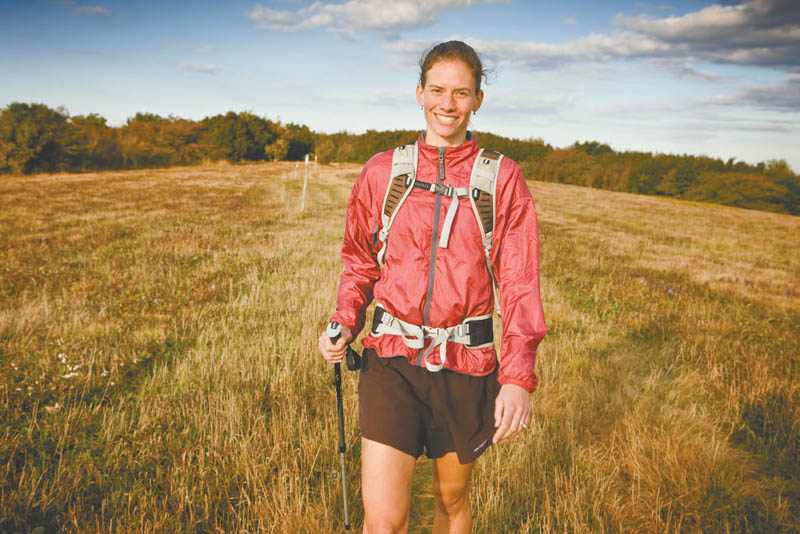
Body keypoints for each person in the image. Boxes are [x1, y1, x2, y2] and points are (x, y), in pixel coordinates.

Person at [318, 40, 546, 534]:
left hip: (465, 366)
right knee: (383, 520)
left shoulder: (502, 179)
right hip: (390, 361)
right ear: (419, 93)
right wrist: (343, 321)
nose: (448, 103)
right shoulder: (383, 171)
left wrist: (517, 378)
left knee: (451, 500)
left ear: (477, 100)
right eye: (438, 90)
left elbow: (521, 281)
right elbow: (358, 262)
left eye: (461, 93)